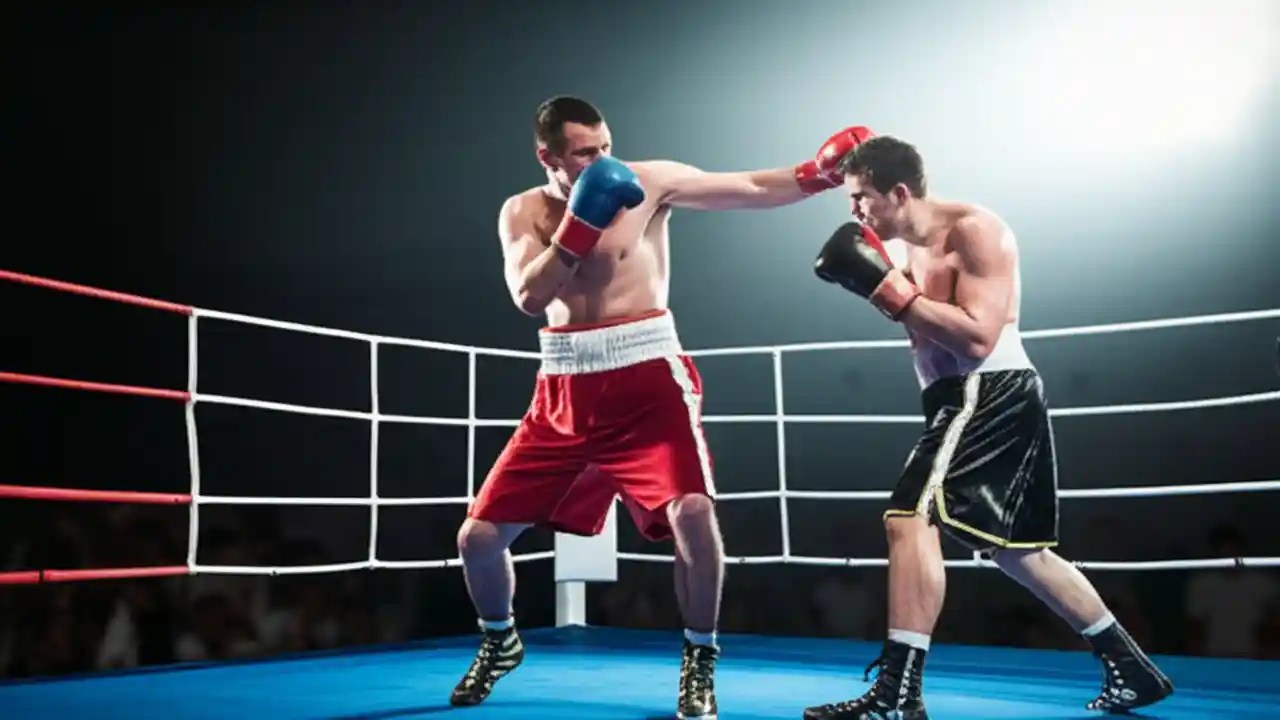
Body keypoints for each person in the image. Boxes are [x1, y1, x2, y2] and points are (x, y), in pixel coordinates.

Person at [449, 94, 871, 720]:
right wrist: (578, 227)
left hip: (647, 373)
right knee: (478, 539)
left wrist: (819, 175)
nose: (601, 163)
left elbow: (751, 186)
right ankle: (499, 639)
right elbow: (528, 297)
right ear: (548, 156)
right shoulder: (523, 211)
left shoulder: (648, 183)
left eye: (605, 147)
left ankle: (700, 659)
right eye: (583, 153)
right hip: (564, 384)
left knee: (694, 514)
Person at [803, 135, 1175, 719]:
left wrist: (889, 292)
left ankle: (897, 695)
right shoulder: (898, 249)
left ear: (900, 192)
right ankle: (1132, 669)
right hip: (956, 398)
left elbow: (978, 336)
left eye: (863, 198)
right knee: (1017, 551)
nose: (855, 212)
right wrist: (889, 283)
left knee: (909, 517)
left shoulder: (975, 231)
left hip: (987, 388)